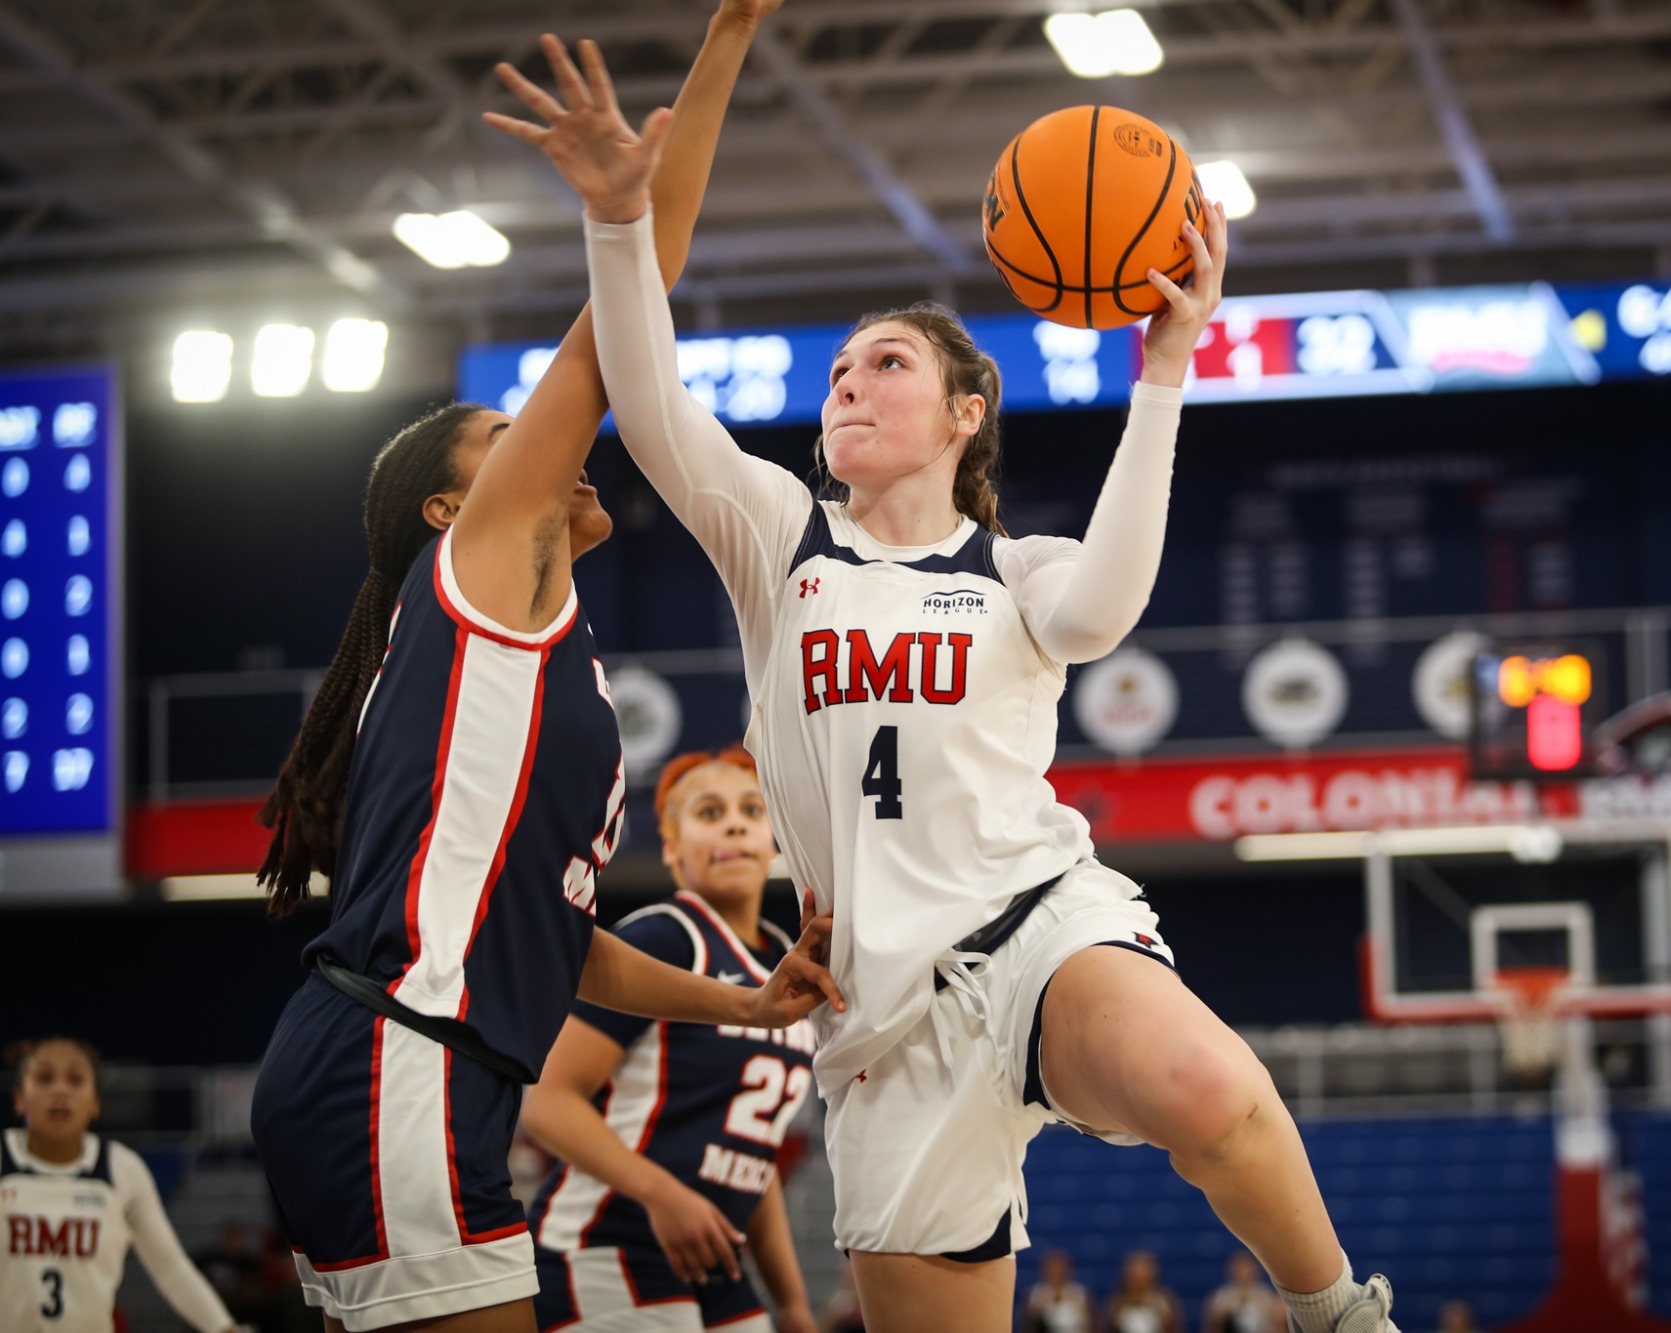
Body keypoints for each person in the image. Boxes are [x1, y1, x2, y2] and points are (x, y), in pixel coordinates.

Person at [494, 32, 1400, 1333]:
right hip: (883, 1014)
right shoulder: (774, 532)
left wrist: (1168, 365)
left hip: (1036, 921)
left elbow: (1103, 612)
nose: (848, 383)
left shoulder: (1019, 568)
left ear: (967, 409)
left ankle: (1341, 1317)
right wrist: (620, 216)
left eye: (887, 365)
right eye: (839, 372)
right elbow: (644, 398)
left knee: (1212, 1089)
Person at [249, 10, 840, 1331]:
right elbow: (626, 316)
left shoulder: (529, 655)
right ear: (451, 514)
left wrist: (740, 999)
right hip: (395, 1067)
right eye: (508, 442)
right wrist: (726, 42)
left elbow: (557, 945)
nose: (549, 448)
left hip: (422, 1072)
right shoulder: (475, 576)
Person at [523, 747, 815, 1333]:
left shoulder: (788, 962)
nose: (733, 821)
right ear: (671, 846)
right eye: (709, 812)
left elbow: (752, 1165)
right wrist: (663, 1195)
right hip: (608, 1243)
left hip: (715, 1260)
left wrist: (793, 1303)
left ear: (775, 836)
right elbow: (546, 1100)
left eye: (751, 810)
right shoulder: (664, 938)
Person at [2, 1037, 240, 1333]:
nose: (60, 1090)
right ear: (19, 1098)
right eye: (44, 1078)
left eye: (75, 1080)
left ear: (96, 1103)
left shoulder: (122, 1169)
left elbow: (171, 1269)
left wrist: (224, 1327)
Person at [1202, 1251, 1286, 1333]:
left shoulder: (1267, 1294)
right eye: (1239, 1268)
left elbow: (1279, 1323)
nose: (1243, 1272)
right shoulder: (1221, 1295)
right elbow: (1213, 1322)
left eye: (1246, 1267)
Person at [1103, 1251, 1182, 1333]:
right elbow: (1109, 1326)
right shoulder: (1116, 1302)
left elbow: (1174, 1327)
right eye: (1135, 1274)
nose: (1140, 1279)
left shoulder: (1165, 1301)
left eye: (1144, 1273)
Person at [1021, 1249, 1092, 1333]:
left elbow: (1089, 1323)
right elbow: (1028, 1324)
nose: (1056, 1271)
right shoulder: (1034, 1294)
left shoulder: (1081, 1293)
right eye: (1052, 1267)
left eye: (1060, 1267)